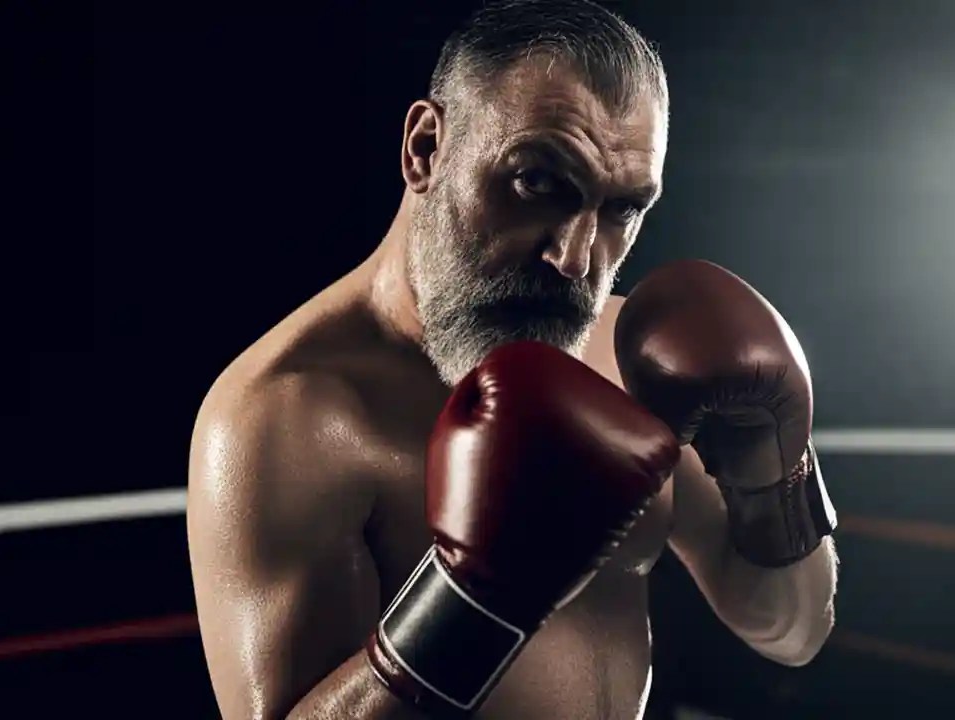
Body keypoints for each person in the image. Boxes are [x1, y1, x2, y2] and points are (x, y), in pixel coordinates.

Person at [186, 1, 839, 717]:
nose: (575, 257)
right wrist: (472, 599)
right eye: (538, 182)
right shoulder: (291, 414)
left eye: (621, 210)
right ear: (426, 148)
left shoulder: (636, 358)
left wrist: (767, 466)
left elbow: (792, 629)